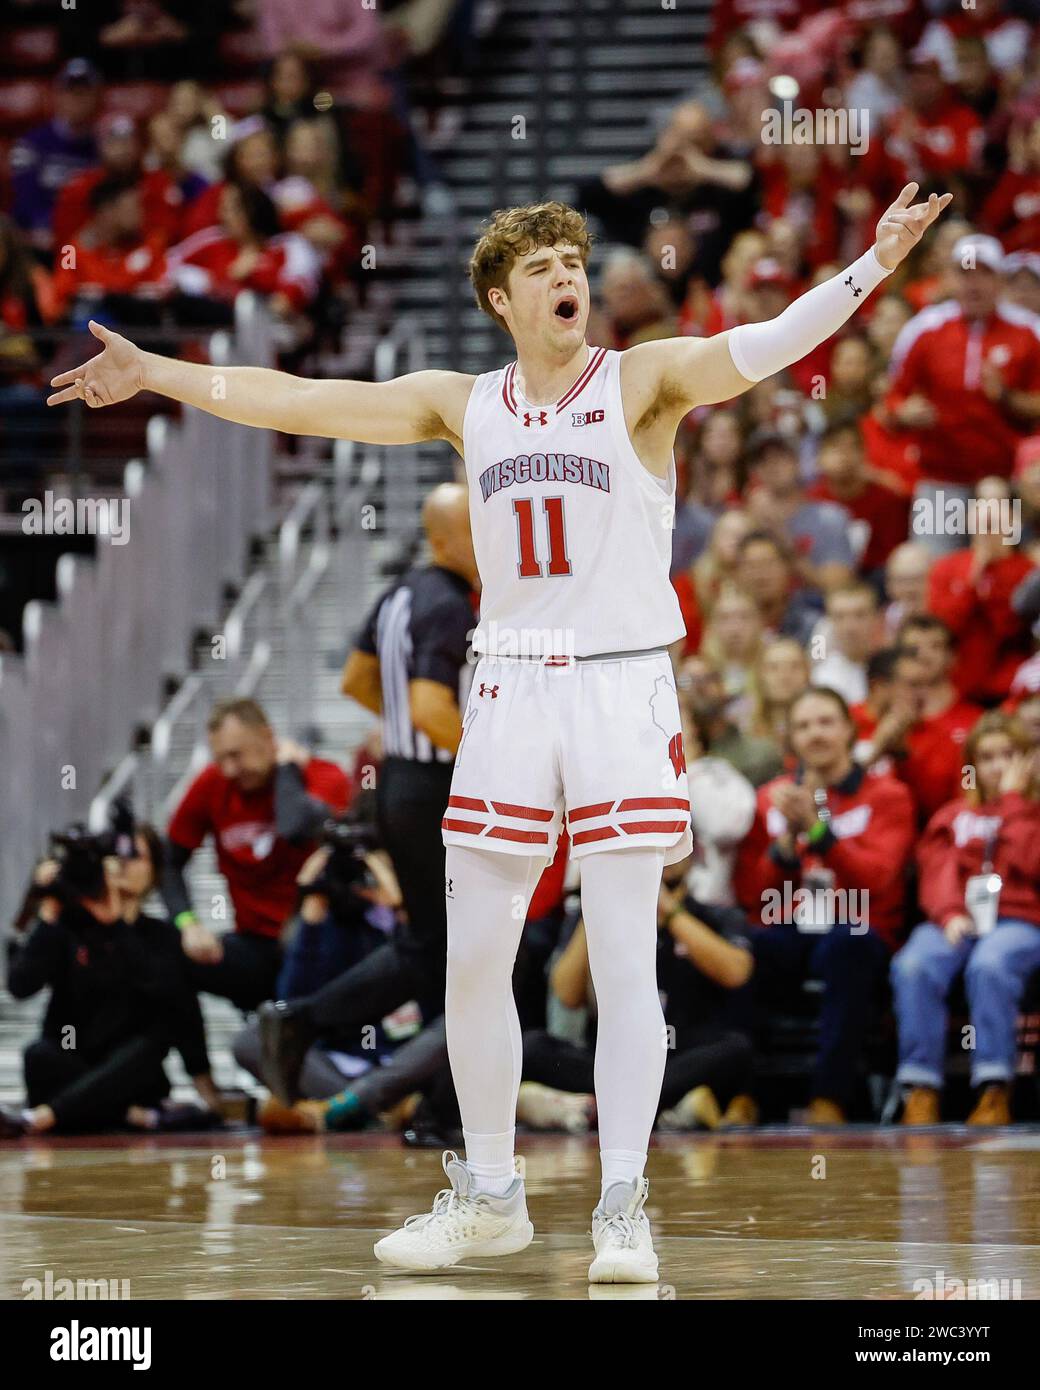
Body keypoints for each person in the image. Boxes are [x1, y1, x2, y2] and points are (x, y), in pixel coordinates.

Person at [48, 183, 952, 1281]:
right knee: (472, 963)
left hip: (620, 687)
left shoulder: (643, 380)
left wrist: (870, 267)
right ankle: (489, 1192)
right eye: (542, 268)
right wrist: (157, 373)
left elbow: (758, 346)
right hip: (509, 691)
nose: (568, 276)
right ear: (500, 298)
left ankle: (623, 1204)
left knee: (624, 956)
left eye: (573, 259)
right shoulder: (458, 401)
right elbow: (301, 398)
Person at [257, 483, 478, 1116]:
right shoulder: (450, 607)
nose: (488, 540)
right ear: (441, 538)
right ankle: (304, 1021)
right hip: (436, 792)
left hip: (401, 785)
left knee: (437, 949)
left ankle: (437, 1110)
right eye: (474, 528)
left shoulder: (399, 594)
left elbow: (356, 680)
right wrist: (490, 763)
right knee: (451, 950)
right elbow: (431, 706)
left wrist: (406, 729)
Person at [735, 687, 916, 1122]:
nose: (815, 734)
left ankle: (829, 1099)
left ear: (850, 730)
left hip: (859, 922)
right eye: (803, 725)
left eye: (826, 722)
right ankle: (741, 1094)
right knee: (745, 950)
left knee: (845, 947)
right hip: (792, 923)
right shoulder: (771, 798)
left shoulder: (887, 795)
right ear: (791, 738)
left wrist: (818, 834)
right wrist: (786, 840)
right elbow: (755, 894)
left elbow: (879, 880)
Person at [892, 713, 1040, 1126]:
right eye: (986, 757)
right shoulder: (952, 815)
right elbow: (936, 870)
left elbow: (1033, 863)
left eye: (1008, 756)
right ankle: (920, 1088)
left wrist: (1013, 805)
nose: (997, 767)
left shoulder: (1034, 812)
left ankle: (994, 1087)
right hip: (956, 919)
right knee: (914, 963)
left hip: (1021, 922)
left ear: (1029, 760)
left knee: (990, 964)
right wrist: (948, 912)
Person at [161, 698, 351, 1011]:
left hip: (320, 942)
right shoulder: (213, 784)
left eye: (236, 755)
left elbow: (295, 827)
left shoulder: (322, 776)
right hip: (256, 945)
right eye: (220, 759)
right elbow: (170, 862)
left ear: (267, 736)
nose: (229, 769)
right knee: (161, 954)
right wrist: (188, 922)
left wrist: (288, 770)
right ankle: (200, 1063)